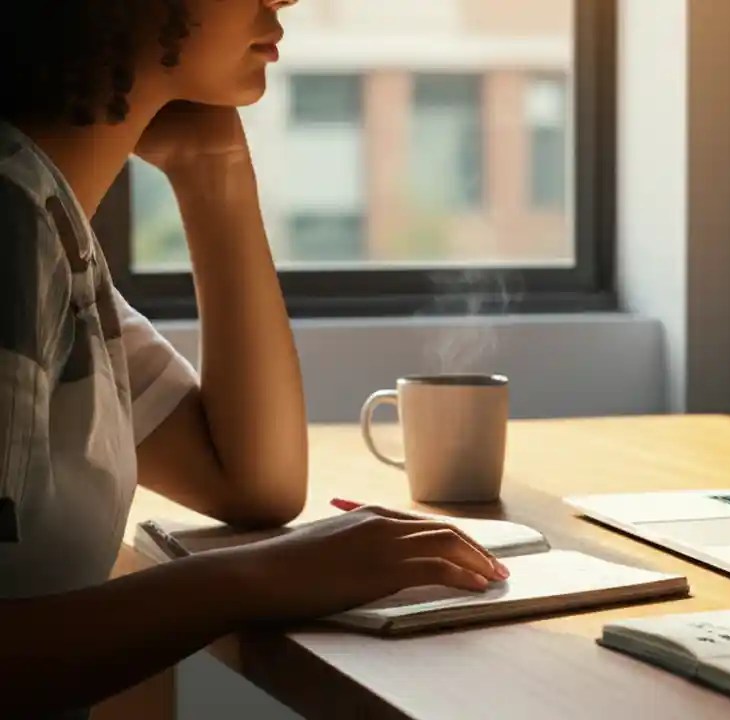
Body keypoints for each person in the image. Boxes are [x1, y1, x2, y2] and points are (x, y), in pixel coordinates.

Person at [0, 3, 508, 717]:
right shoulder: (10, 223)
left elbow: (251, 480)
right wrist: (264, 574)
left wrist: (218, 172)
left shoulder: (50, 227)